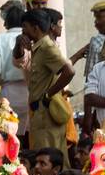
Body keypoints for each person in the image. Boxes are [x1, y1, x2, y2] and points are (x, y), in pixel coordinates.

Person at [21, 8, 72, 153]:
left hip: (46, 112)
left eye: (25, 27)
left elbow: (69, 71)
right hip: (39, 111)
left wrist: (49, 94)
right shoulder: (38, 47)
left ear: (35, 28)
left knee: (47, 156)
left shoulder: (46, 46)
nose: (22, 31)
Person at [0, 1, 28, 126]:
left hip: (9, 93)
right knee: (29, 136)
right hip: (30, 92)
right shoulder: (30, 37)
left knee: (9, 132)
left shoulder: (0, 39)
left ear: (6, 22)